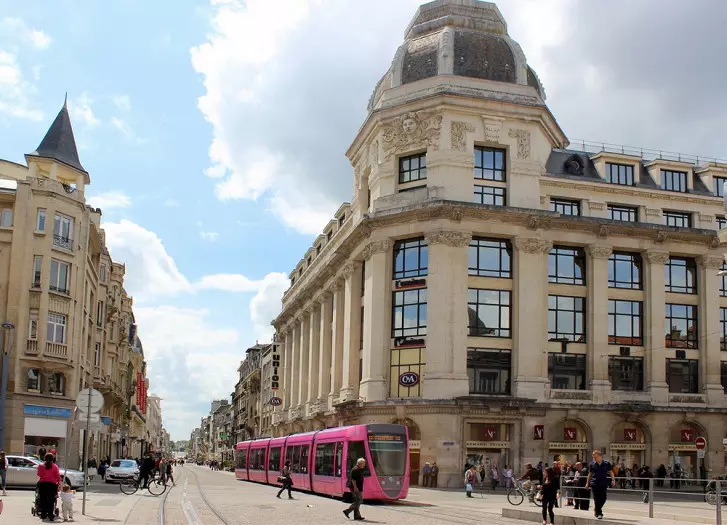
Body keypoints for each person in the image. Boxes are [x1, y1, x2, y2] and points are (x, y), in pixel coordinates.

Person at [586, 450, 615, 520]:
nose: (594, 459)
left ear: (600, 456)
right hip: (594, 484)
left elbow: (611, 472)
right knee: (596, 499)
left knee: (604, 498)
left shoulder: (607, 463)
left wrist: (613, 480)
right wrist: (587, 483)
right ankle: (599, 513)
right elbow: (589, 475)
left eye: (595, 457)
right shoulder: (592, 464)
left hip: (603, 483)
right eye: (593, 457)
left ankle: (596, 509)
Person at [37, 453, 61, 522]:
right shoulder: (55, 466)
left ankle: (43, 514)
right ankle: (50, 515)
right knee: (51, 500)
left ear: (45, 458)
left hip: (43, 484)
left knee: (43, 499)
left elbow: (39, 474)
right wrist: (59, 484)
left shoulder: (41, 466)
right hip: (52, 485)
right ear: (52, 459)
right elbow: (58, 476)